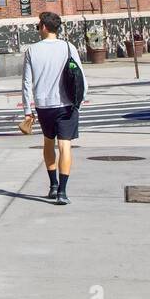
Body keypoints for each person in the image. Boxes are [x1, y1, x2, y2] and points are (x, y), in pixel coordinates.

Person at [22, 11, 86, 206]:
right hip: (66, 104)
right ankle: (62, 192)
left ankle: (52, 185)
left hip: (43, 106)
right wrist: (79, 101)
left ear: (43, 27)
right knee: (65, 146)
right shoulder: (68, 47)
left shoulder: (31, 51)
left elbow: (26, 83)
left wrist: (27, 110)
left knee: (48, 143)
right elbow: (81, 77)